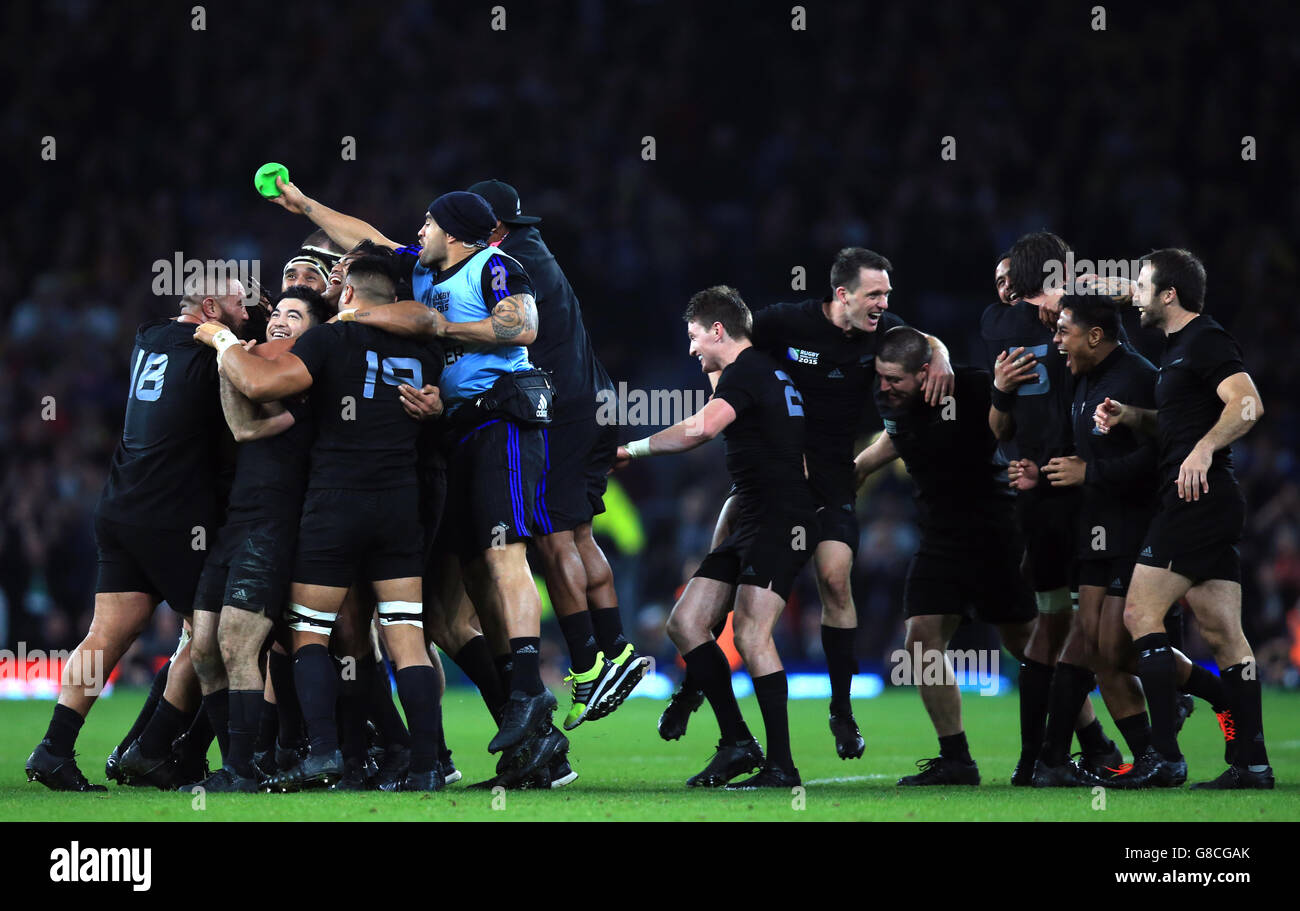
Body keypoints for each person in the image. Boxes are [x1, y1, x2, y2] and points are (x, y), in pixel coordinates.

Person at [658, 248, 956, 763]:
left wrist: (943, 357)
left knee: (836, 579)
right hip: (772, 476)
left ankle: (841, 708)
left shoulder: (883, 331)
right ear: (841, 294)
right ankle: (694, 689)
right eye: (875, 294)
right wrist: (727, 408)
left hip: (833, 477)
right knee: (718, 582)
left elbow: (922, 341)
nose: (884, 303)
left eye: (887, 294)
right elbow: (731, 349)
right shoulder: (784, 322)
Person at [196, 256, 448, 791]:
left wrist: (222, 342)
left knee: (309, 632)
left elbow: (262, 384)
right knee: (406, 637)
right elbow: (428, 330)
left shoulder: (331, 340)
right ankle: (427, 766)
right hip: (401, 501)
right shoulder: (424, 350)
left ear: (351, 294)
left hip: (336, 500)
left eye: (339, 288)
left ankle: (324, 754)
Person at [26, 275, 248, 791]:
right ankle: (194, 755)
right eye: (240, 303)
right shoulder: (211, 357)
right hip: (172, 514)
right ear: (211, 307)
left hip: (122, 503)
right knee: (211, 632)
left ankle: (54, 748)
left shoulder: (148, 337)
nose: (247, 312)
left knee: (106, 634)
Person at [468, 179, 649, 733]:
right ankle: (614, 648)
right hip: (594, 400)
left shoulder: (503, 264)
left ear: (493, 228)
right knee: (577, 534)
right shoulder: (529, 251)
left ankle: (591, 663)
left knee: (550, 539)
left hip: (563, 410)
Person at [618, 285, 815, 788]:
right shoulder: (761, 372)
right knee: (686, 623)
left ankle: (782, 767)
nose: (691, 349)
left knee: (751, 635)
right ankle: (736, 743)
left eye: (695, 337)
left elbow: (702, 429)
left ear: (719, 330)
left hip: (778, 519)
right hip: (749, 515)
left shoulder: (748, 371)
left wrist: (629, 450)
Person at [1095, 249, 1273, 789]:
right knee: (1225, 638)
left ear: (1169, 295)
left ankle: (1165, 759)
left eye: (1145, 286)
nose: (1136, 294)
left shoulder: (1205, 339)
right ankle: (1252, 765)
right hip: (1211, 501)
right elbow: (1177, 422)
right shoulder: (1177, 349)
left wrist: (1202, 451)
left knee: (1138, 616)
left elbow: (1247, 405)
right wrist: (1133, 416)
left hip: (1195, 498)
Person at [853, 327, 1037, 785]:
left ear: (924, 372)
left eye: (894, 379)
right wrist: (852, 474)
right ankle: (956, 759)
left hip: (994, 531)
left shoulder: (971, 387)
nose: (884, 387)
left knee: (1027, 645)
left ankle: (1093, 741)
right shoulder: (893, 404)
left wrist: (997, 389)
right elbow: (892, 440)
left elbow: (1009, 429)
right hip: (939, 537)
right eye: (880, 377)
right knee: (920, 642)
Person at [985, 232, 1122, 783]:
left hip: (1039, 493)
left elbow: (999, 425)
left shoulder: (998, 325)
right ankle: (1061, 756)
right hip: (1084, 492)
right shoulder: (1085, 319)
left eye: (1006, 281)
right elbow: (1149, 295)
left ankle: (1040, 761)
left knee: (1059, 623)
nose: (1002, 293)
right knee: (1096, 626)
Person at [184, 287, 330, 792]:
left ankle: (242, 770)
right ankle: (238, 764)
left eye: (296, 316)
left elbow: (245, 429)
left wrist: (226, 347)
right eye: (279, 314)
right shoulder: (254, 368)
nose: (280, 321)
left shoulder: (307, 386)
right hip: (235, 526)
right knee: (203, 650)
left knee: (237, 644)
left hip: (272, 526)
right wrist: (234, 359)